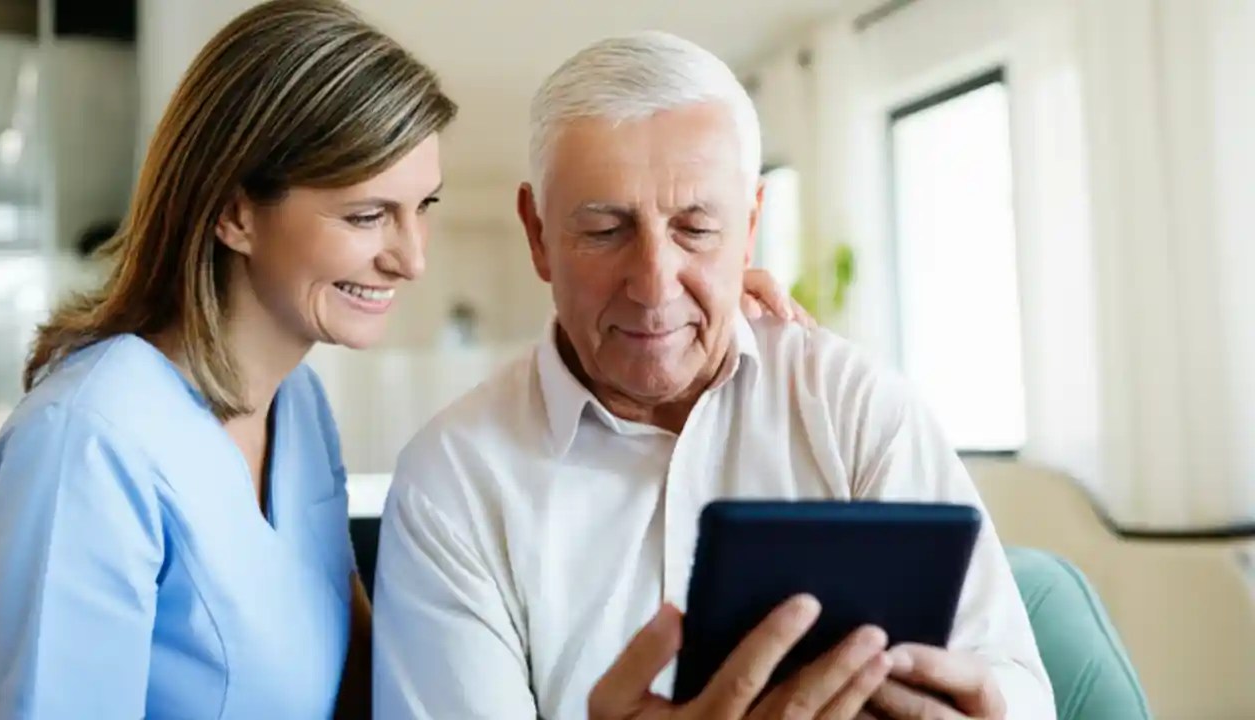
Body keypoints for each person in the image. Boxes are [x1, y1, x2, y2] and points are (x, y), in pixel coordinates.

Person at [0, 3, 802, 717]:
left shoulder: (295, 411)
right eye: (368, 215)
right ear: (233, 212)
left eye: (423, 208)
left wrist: (682, 303)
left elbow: (384, 685)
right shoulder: (89, 444)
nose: (410, 259)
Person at [372, 32, 1057, 720]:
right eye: (606, 229)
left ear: (750, 223)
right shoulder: (452, 479)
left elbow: (1017, 687)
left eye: (697, 229)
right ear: (536, 233)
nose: (653, 285)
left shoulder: (851, 406)